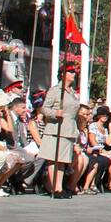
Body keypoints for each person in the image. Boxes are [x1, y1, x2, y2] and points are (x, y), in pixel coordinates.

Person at [39, 65, 81, 198]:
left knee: (62, 160)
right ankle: (54, 188)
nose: (73, 74)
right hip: (56, 128)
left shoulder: (72, 92)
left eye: (74, 72)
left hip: (68, 128)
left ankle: (59, 187)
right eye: (70, 71)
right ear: (63, 74)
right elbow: (45, 108)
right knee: (54, 159)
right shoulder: (55, 90)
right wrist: (54, 113)